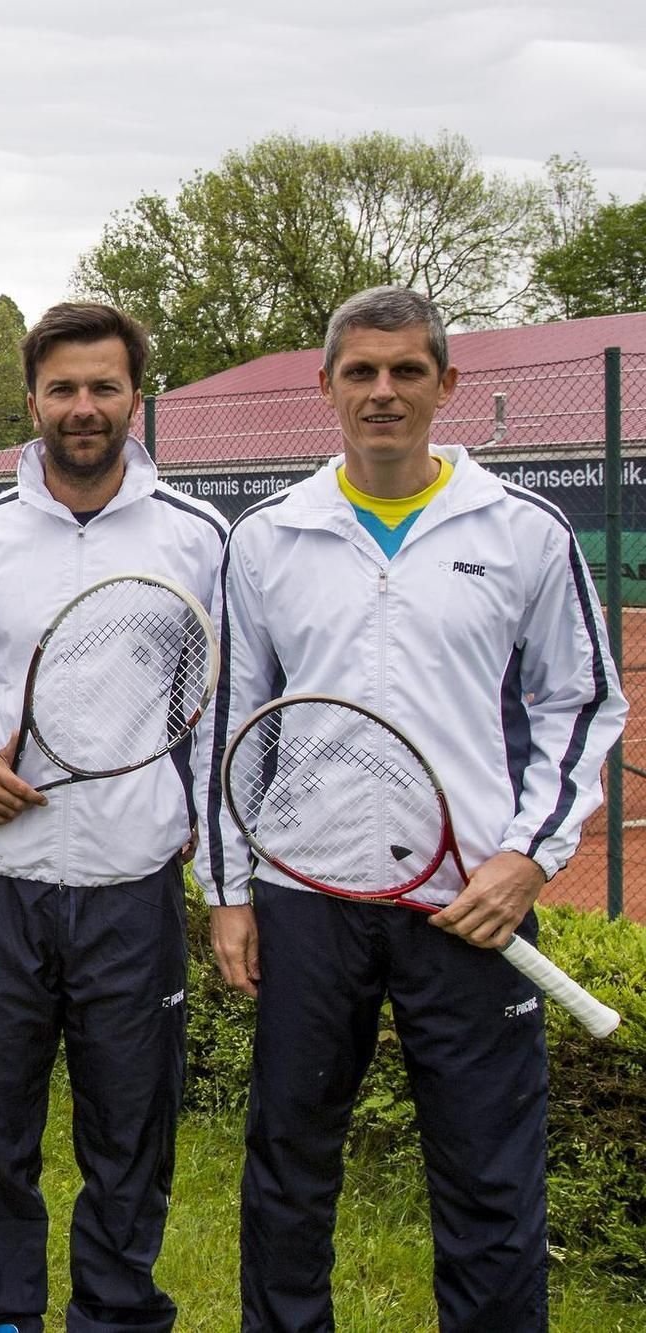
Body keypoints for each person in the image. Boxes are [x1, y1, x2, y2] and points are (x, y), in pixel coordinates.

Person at [193, 285, 628, 1332]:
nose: (380, 391)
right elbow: (231, 722)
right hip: (305, 897)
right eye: (359, 372)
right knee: (288, 1170)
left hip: (469, 908)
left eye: (402, 371)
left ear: (445, 384)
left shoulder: (524, 530)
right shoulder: (266, 539)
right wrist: (227, 891)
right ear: (326, 387)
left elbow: (579, 701)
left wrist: (524, 856)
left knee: (487, 1182)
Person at [0, 302, 226, 1333]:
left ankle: (114, 1313)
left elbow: (211, 711)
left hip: (128, 889)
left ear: (133, 398)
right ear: (32, 402)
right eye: (62, 389)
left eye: (103, 387)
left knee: (128, 1136)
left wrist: (200, 854)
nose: (83, 407)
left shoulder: (197, 540)